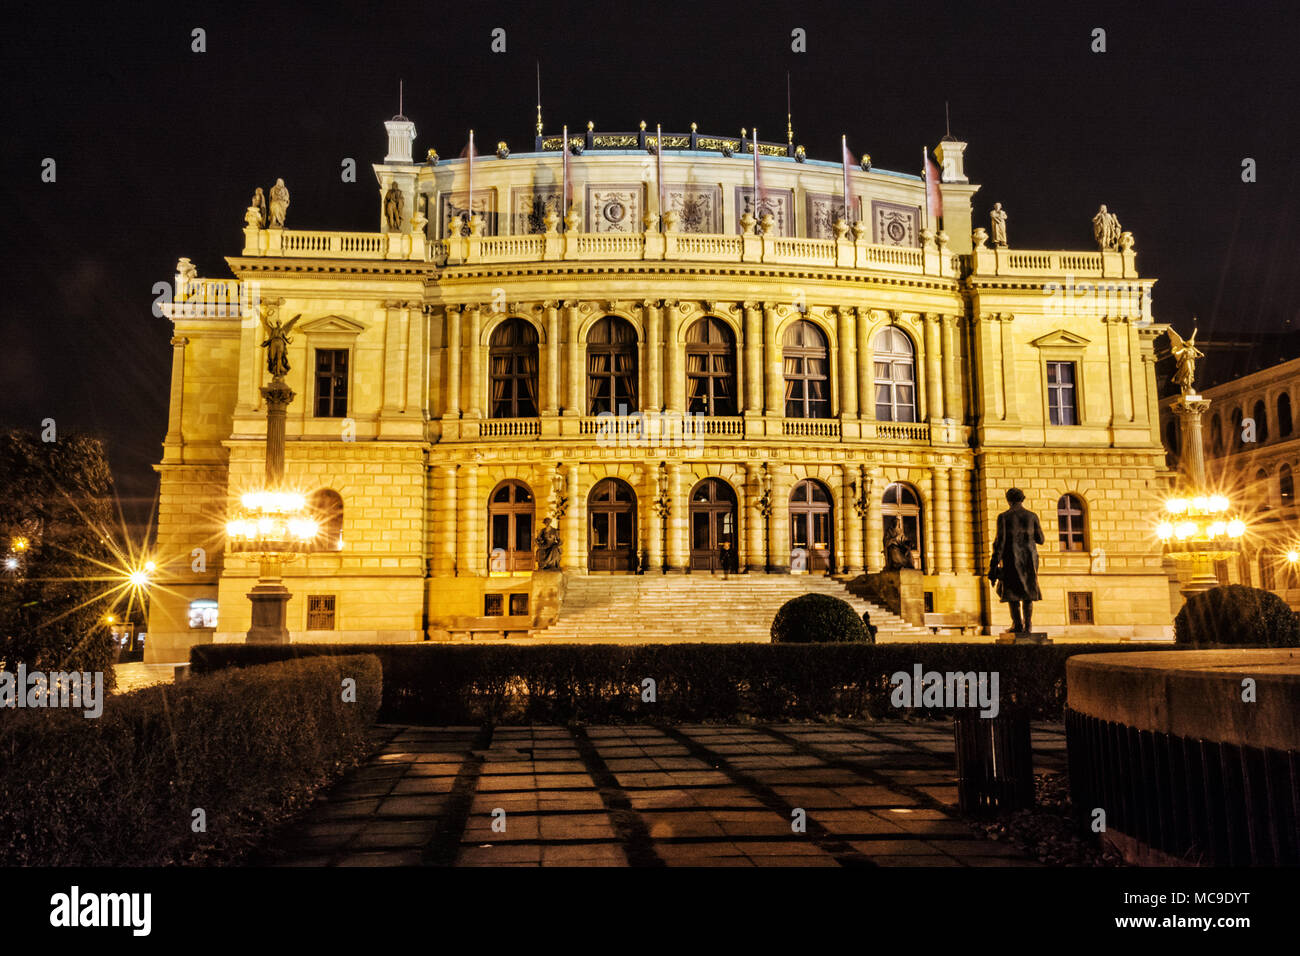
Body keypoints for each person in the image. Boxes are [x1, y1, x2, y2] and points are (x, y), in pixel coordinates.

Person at [987, 488, 1045, 633]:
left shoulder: (1004, 517)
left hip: (1011, 559)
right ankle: (1028, 625)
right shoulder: (1032, 516)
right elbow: (1041, 539)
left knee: (1012, 593)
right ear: (1023, 499)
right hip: (1030, 559)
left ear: (1009, 500)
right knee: (1028, 593)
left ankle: (1017, 624)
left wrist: (993, 565)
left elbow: (999, 543)